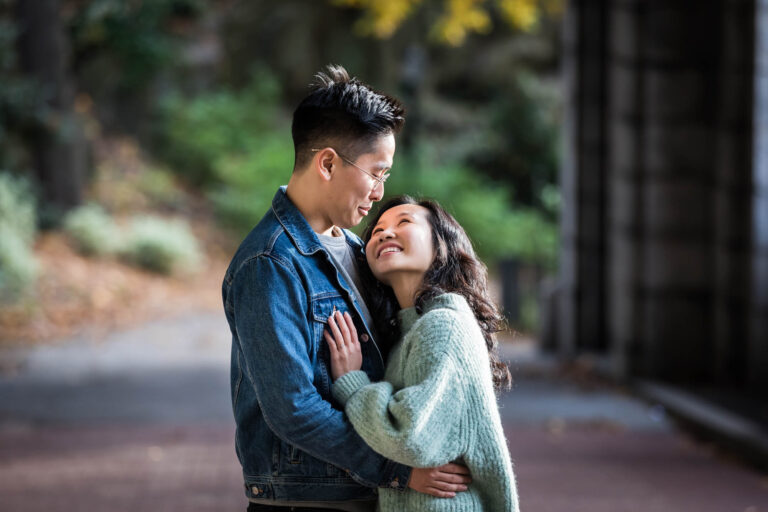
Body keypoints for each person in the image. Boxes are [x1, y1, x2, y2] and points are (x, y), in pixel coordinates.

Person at [222, 65, 472, 512]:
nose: (379, 192)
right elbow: (293, 409)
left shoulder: (360, 250)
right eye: (377, 173)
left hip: (366, 496)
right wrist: (397, 470)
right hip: (310, 503)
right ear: (328, 163)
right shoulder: (270, 263)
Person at [324, 196, 521, 511]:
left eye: (404, 222)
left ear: (441, 246)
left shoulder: (444, 324)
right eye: (377, 231)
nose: (385, 234)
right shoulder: (411, 329)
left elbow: (409, 436)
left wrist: (353, 383)